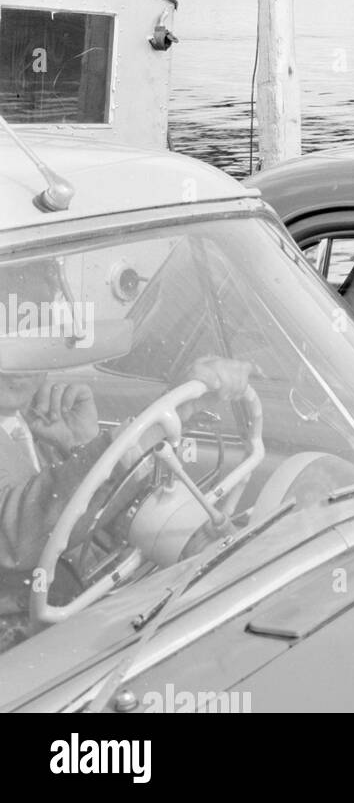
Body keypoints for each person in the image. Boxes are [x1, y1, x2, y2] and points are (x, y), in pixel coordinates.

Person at [0, 254, 253, 641]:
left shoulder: (34, 423)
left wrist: (79, 446)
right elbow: (17, 534)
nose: (18, 358)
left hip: (99, 615)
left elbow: (91, 525)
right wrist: (159, 423)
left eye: (35, 330)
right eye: (4, 331)